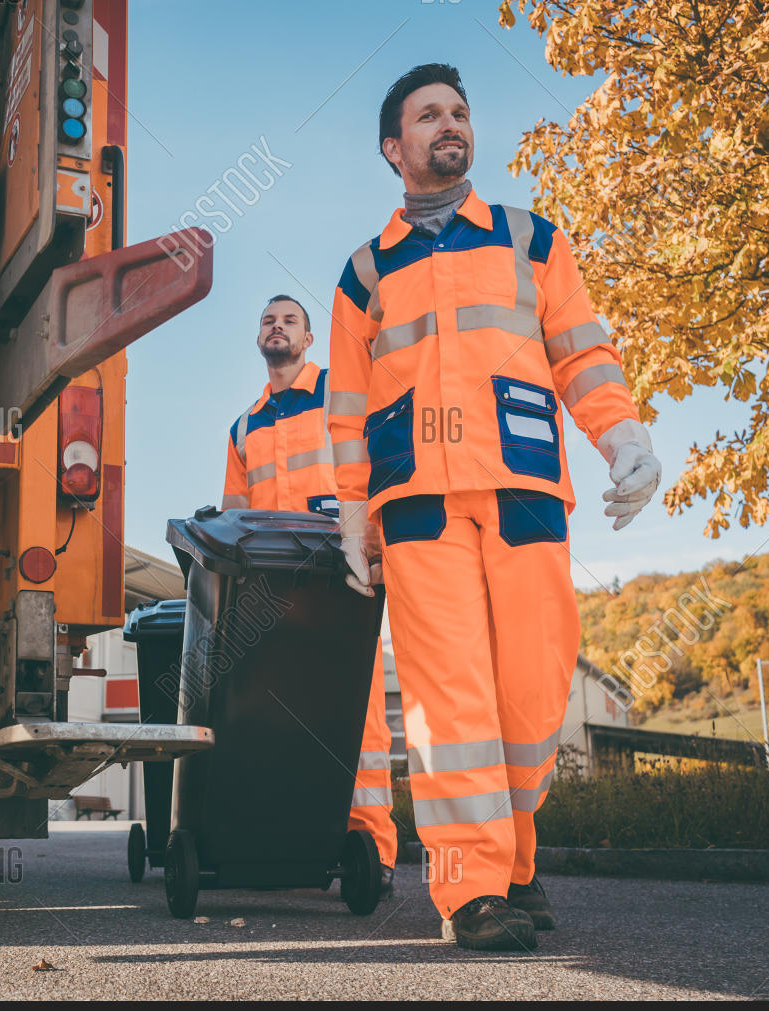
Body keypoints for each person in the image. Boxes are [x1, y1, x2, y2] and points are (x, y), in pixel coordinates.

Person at [327, 64, 661, 950]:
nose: (451, 123)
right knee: (449, 703)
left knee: (533, 692)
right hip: (420, 511)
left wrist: (623, 436)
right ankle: (469, 889)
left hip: (523, 495)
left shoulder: (532, 240)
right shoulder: (364, 274)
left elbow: (583, 354)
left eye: (461, 112)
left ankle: (514, 862)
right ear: (394, 148)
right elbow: (347, 411)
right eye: (429, 114)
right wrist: (353, 517)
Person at [223, 294, 398, 898]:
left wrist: (375, 546)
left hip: (341, 572)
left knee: (360, 712)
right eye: (267, 319)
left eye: (289, 320)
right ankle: (287, 840)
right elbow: (233, 516)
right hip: (272, 588)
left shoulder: (340, 398)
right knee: (277, 710)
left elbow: (377, 467)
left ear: (309, 338)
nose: (277, 327)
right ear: (257, 337)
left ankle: (370, 847)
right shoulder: (244, 425)